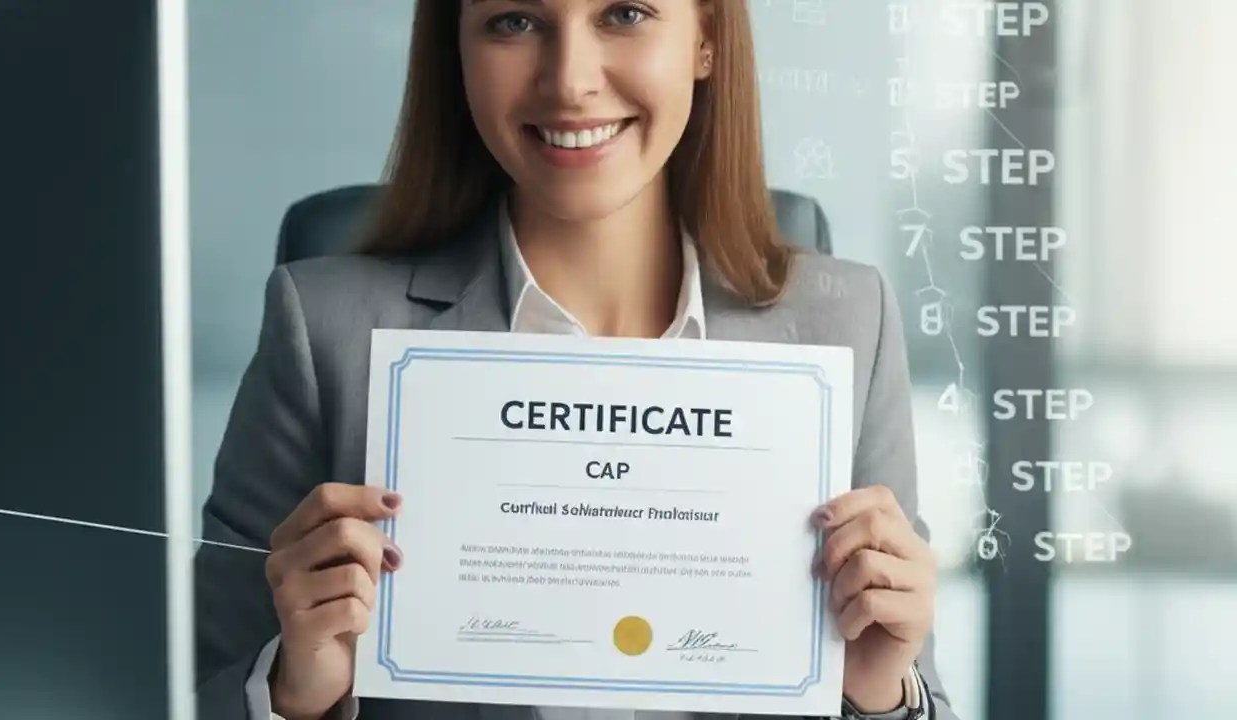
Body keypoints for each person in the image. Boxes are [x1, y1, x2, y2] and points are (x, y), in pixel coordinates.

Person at [195, 1, 958, 719]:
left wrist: (879, 690)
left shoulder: (849, 324)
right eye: (515, 20)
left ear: (706, 38)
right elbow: (201, 687)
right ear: (454, 52)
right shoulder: (323, 329)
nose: (569, 81)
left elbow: (905, 680)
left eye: (624, 13)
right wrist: (297, 690)